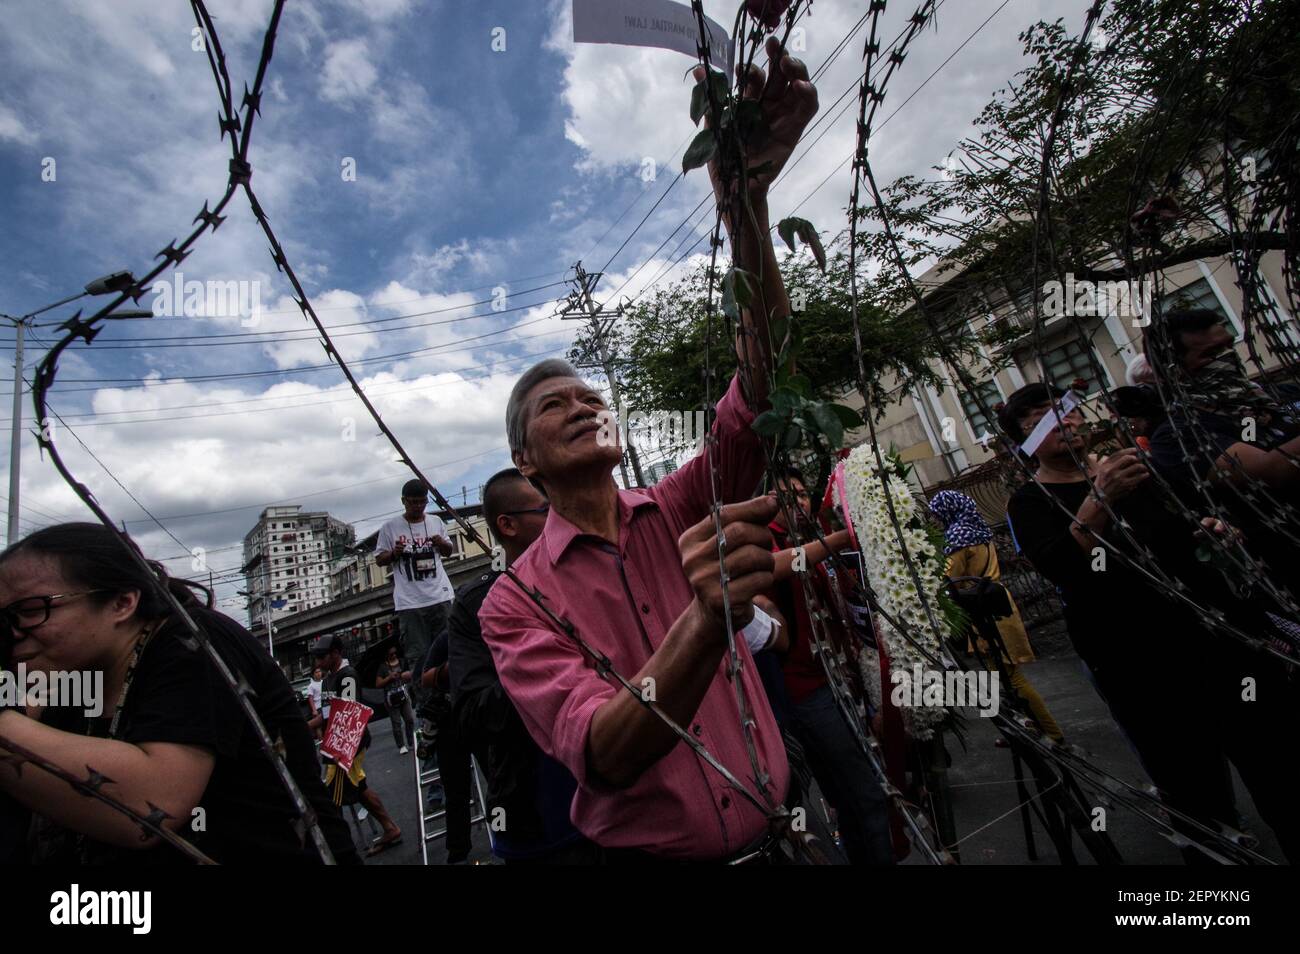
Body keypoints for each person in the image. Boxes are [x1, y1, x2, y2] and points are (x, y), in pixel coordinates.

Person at [479, 40, 818, 863]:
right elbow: (603, 749)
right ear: (527, 463)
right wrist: (705, 619)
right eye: (555, 406)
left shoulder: (679, 505)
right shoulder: (512, 604)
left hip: (787, 840)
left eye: (592, 397)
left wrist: (746, 213)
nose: (584, 406)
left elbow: (760, 385)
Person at [999, 383, 1297, 862]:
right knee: (1196, 794)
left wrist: (1215, 533)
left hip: (1217, 638)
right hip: (1139, 663)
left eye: (1068, 412)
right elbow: (1063, 568)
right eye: (1041, 421)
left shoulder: (1137, 467)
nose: (1064, 424)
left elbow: (1189, 522)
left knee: (1277, 763)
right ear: (1024, 441)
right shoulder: (1030, 502)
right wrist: (1098, 501)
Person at [0, 523, 358, 864]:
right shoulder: (72, 680)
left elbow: (155, 800)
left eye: (31, 611)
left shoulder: (195, 643)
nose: (12, 632)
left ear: (122, 602)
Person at [448, 468, 596, 864]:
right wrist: (547, 678)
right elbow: (471, 713)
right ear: (507, 525)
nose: (558, 515)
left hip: (618, 796)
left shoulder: (588, 571)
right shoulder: (476, 605)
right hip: (539, 817)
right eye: (546, 508)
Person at [764, 468, 896, 865]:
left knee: (859, 794)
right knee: (864, 794)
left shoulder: (807, 537)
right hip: (804, 692)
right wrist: (844, 537)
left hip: (834, 680)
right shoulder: (765, 539)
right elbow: (777, 567)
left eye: (803, 494)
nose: (799, 502)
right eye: (787, 496)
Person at [926, 489, 1064, 742]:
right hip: (997, 601)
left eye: (936, 514)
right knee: (1004, 674)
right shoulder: (979, 532)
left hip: (983, 610)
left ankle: (1052, 733)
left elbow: (948, 581)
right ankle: (1030, 729)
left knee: (1010, 677)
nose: (934, 519)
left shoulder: (958, 540)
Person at [307, 634, 402, 857]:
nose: (318, 663)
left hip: (350, 743)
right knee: (359, 789)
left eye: (322, 657)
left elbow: (349, 713)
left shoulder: (347, 676)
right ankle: (390, 828)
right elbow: (327, 714)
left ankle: (341, 850)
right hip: (337, 744)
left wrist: (339, 749)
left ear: (336, 654)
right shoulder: (329, 679)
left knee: (332, 798)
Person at [375, 479, 456, 695]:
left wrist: (441, 543)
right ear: (404, 501)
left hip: (440, 596)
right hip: (410, 603)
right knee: (419, 657)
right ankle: (427, 707)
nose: (418, 507)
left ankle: (454, 696)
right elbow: (379, 559)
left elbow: (449, 550)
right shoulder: (390, 528)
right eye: (413, 502)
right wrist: (395, 553)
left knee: (451, 650)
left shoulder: (436, 522)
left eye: (422, 502)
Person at [375, 647, 415, 755]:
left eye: (395, 653)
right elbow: (378, 684)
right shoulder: (383, 667)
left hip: (403, 694)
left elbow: (409, 675)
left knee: (409, 718)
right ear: (387, 655)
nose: (394, 656)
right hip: (391, 699)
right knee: (396, 722)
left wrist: (403, 676)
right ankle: (401, 745)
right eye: (391, 654)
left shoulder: (402, 662)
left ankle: (411, 741)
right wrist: (389, 678)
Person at [306, 665, 324, 741]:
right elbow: (311, 698)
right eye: (316, 672)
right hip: (318, 707)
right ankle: (321, 742)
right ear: (313, 674)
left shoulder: (324, 682)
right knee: (318, 726)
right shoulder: (311, 686)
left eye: (319, 671)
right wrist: (314, 710)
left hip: (325, 705)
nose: (318, 673)